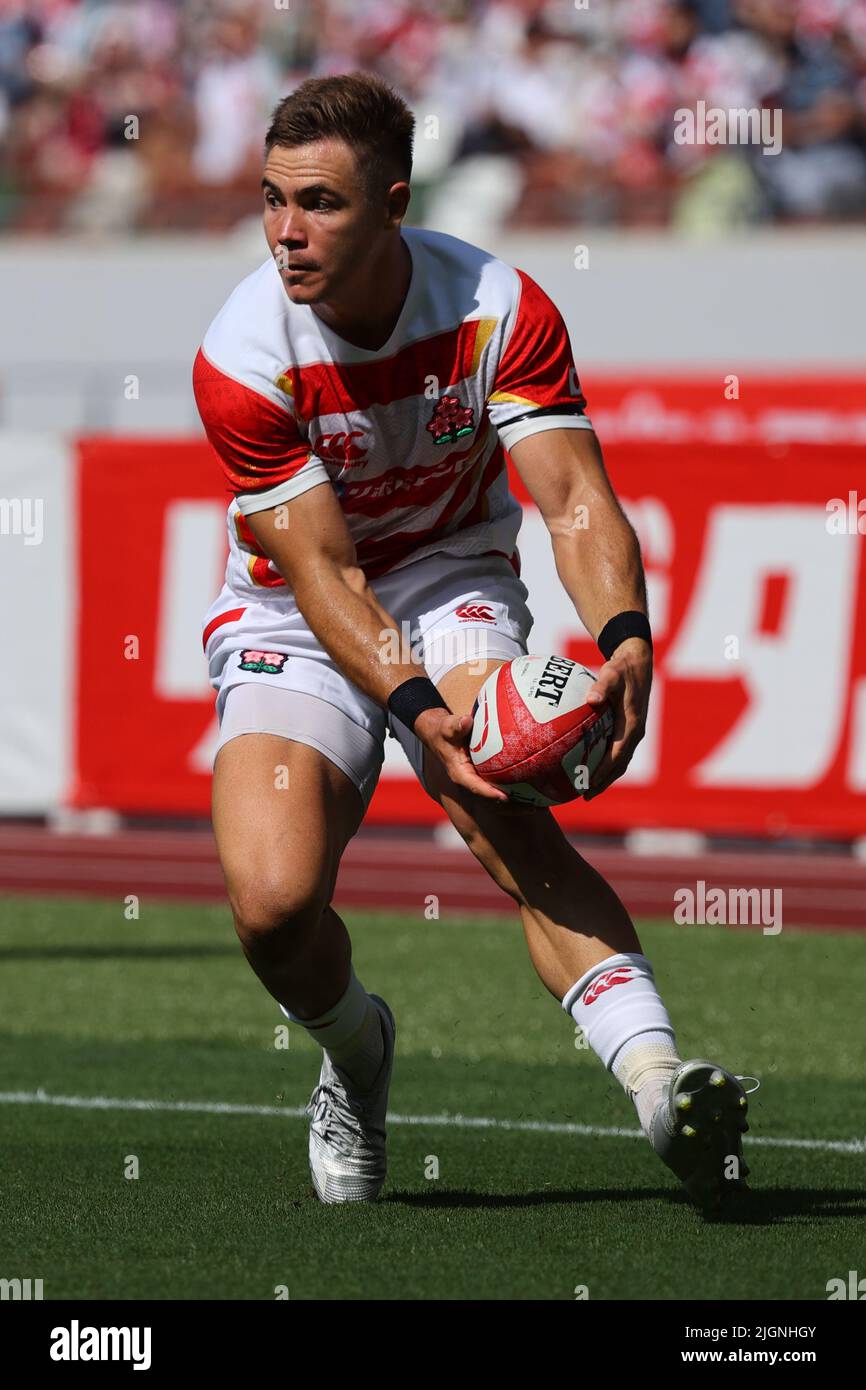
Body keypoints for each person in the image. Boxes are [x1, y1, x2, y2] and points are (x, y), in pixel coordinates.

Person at [193, 70, 750, 1210]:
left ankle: (660, 1084)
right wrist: (413, 712)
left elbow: (574, 499)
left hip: (451, 576)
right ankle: (356, 1053)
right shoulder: (242, 353)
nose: (285, 232)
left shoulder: (497, 303)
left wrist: (626, 635)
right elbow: (326, 571)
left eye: (320, 204)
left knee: (506, 810)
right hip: (293, 612)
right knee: (272, 905)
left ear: (393, 202)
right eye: (270, 199)